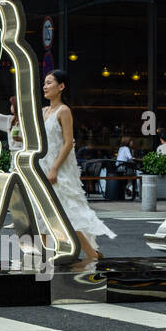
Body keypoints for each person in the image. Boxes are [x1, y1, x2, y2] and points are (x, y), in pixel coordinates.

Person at [41, 69, 115, 260]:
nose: (45, 86)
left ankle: (92, 254)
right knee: (42, 211)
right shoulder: (42, 112)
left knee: (69, 212)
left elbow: (68, 143)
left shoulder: (64, 111)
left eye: (49, 83)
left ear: (61, 87)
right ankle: (46, 253)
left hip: (59, 168)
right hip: (42, 166)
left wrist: (55, 168)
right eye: (45, 83)